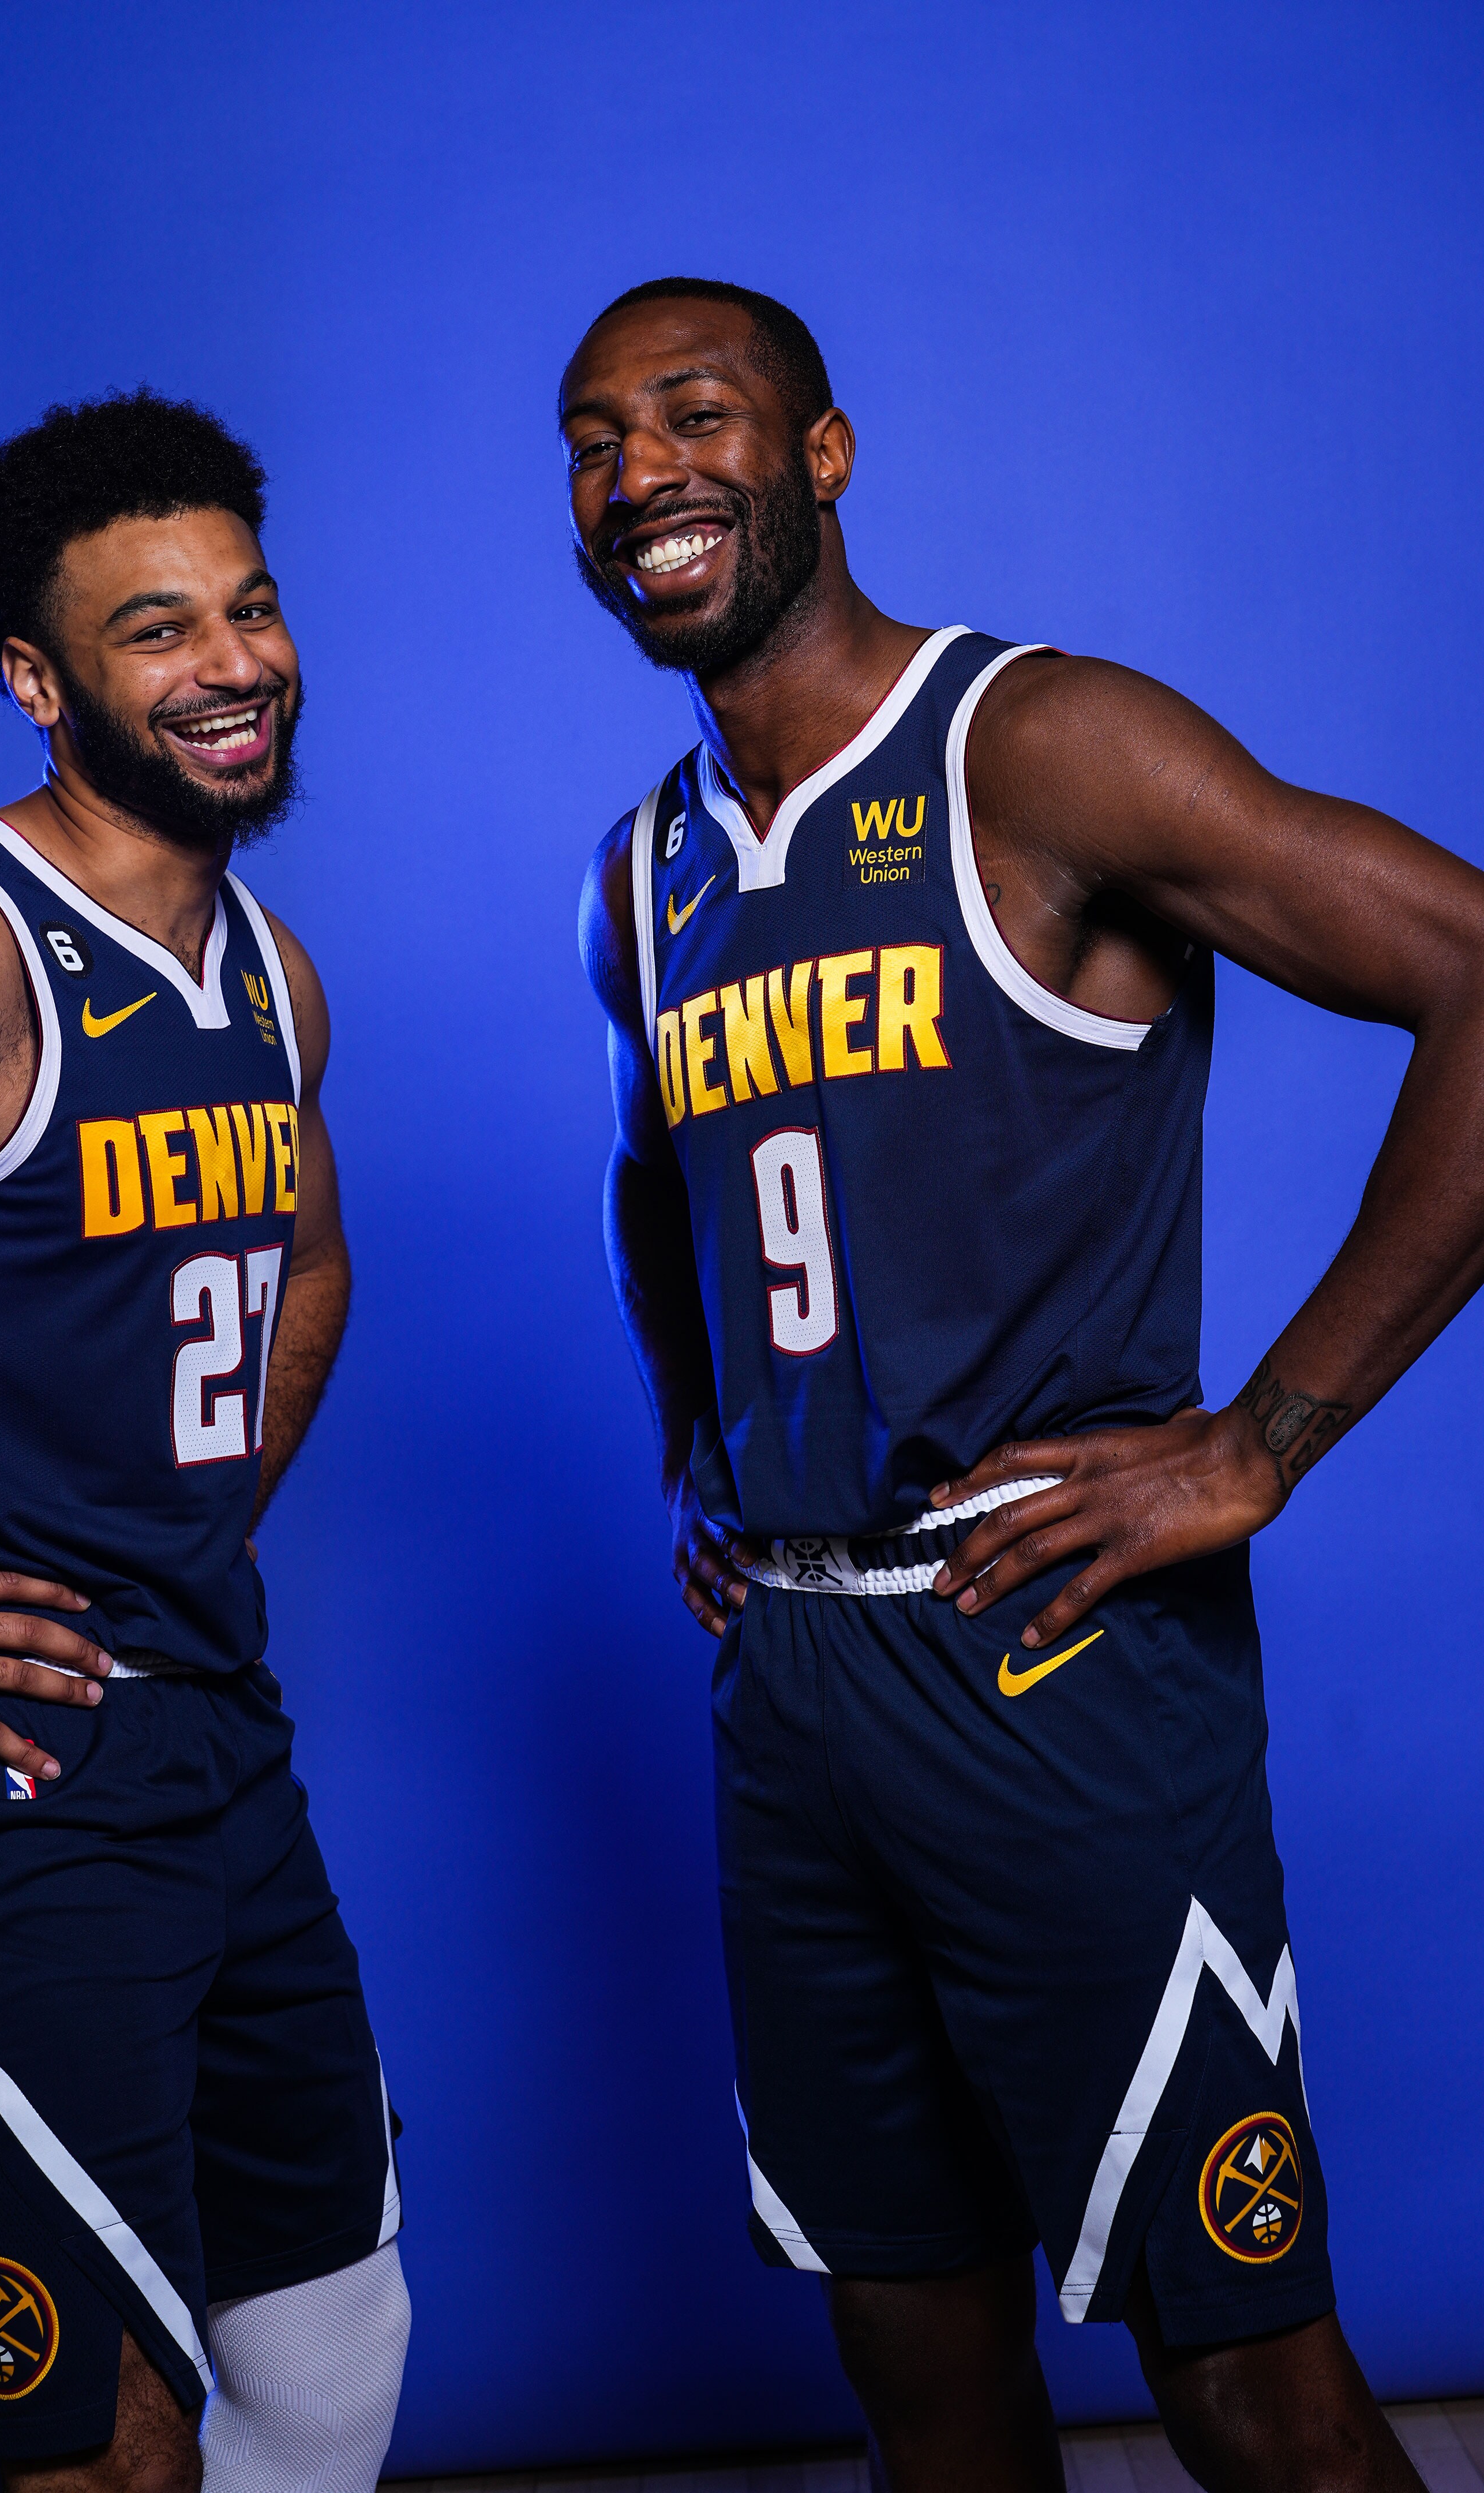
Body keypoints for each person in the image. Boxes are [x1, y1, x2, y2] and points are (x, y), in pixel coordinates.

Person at [567, 277, 1479, 2493]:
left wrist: (1264, 1439)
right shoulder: (649, 870)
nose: (642, 478)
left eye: (698, 418)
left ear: (824, 452)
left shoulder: (1033, 745)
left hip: (1053, 1662)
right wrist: (716, 1457)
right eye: (594, 443)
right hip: (797, 1693)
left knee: (1244, 2374)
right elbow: (657, 1181)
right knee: (921, 2376)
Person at [0, 391, 409, 2492]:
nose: (232, 663)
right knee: (97, 2440)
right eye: (156, 631)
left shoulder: (268, 972)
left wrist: (184, 1514)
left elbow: (313, 1261)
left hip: (213, 1735)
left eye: (247, 610)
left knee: (331, 2336)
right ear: (37, 680)